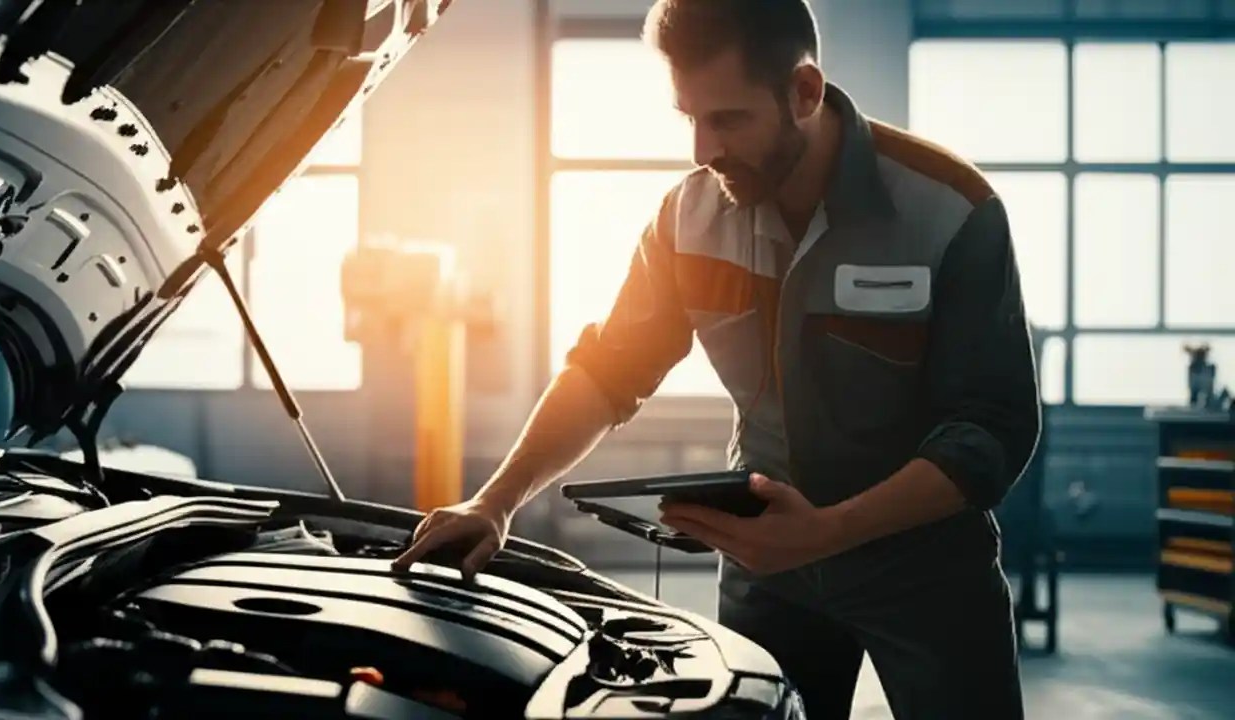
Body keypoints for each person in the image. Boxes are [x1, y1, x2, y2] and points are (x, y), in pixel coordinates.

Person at [395, 1, 1040, 717]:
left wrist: (828, 531)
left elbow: (990, 430)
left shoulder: (952, 210)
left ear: (803, 91)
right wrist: (497, 501)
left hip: (925, 571)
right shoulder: (686, 220)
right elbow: (610, 369)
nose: (702, 148)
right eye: (689, 118)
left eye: (728, 119)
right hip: (770, 576)